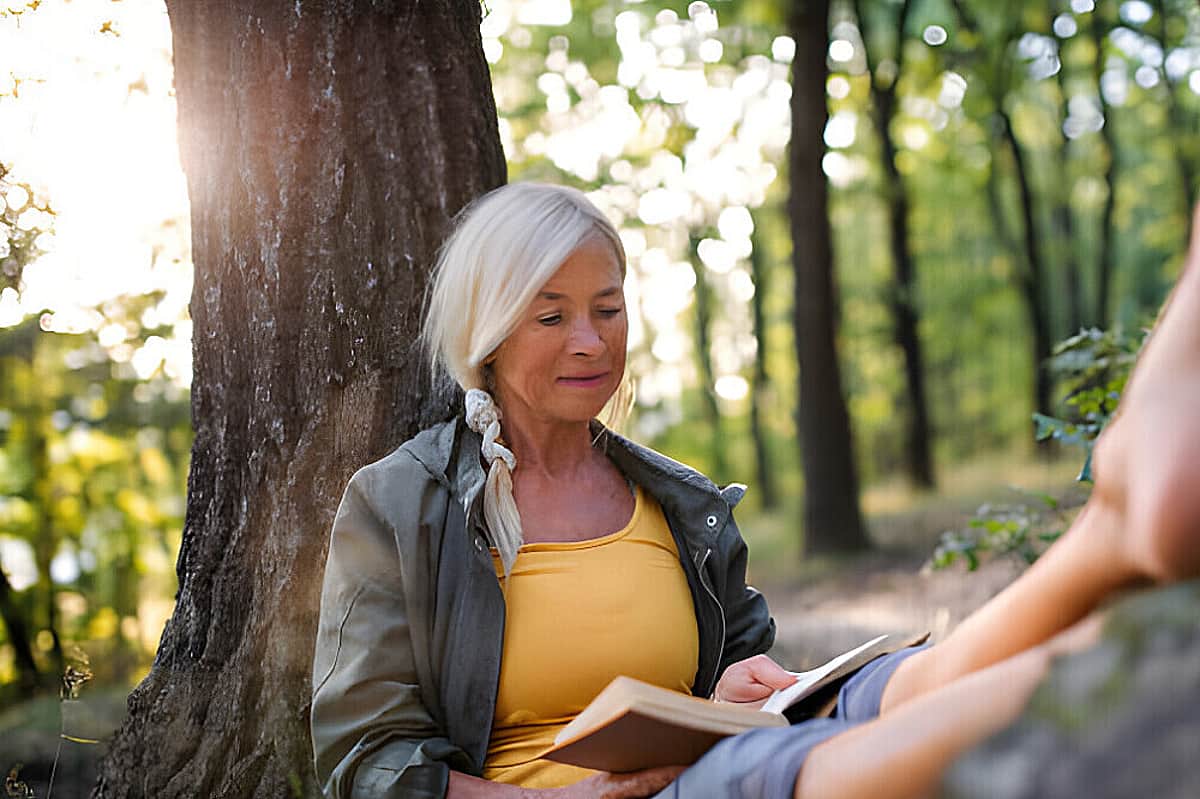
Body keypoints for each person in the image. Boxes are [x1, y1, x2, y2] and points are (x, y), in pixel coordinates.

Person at [310, 182, 1200, 799]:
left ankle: (1114, 528)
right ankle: (1156, 668)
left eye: (608, 307)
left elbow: (738, 677)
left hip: (709, 758)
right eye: (552, 315)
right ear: (490, 334)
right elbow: (366, 761)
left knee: (878, 688)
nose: (591, 340)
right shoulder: (402, 504)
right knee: (794, 767)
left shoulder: (675, 499)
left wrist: (734, 683)